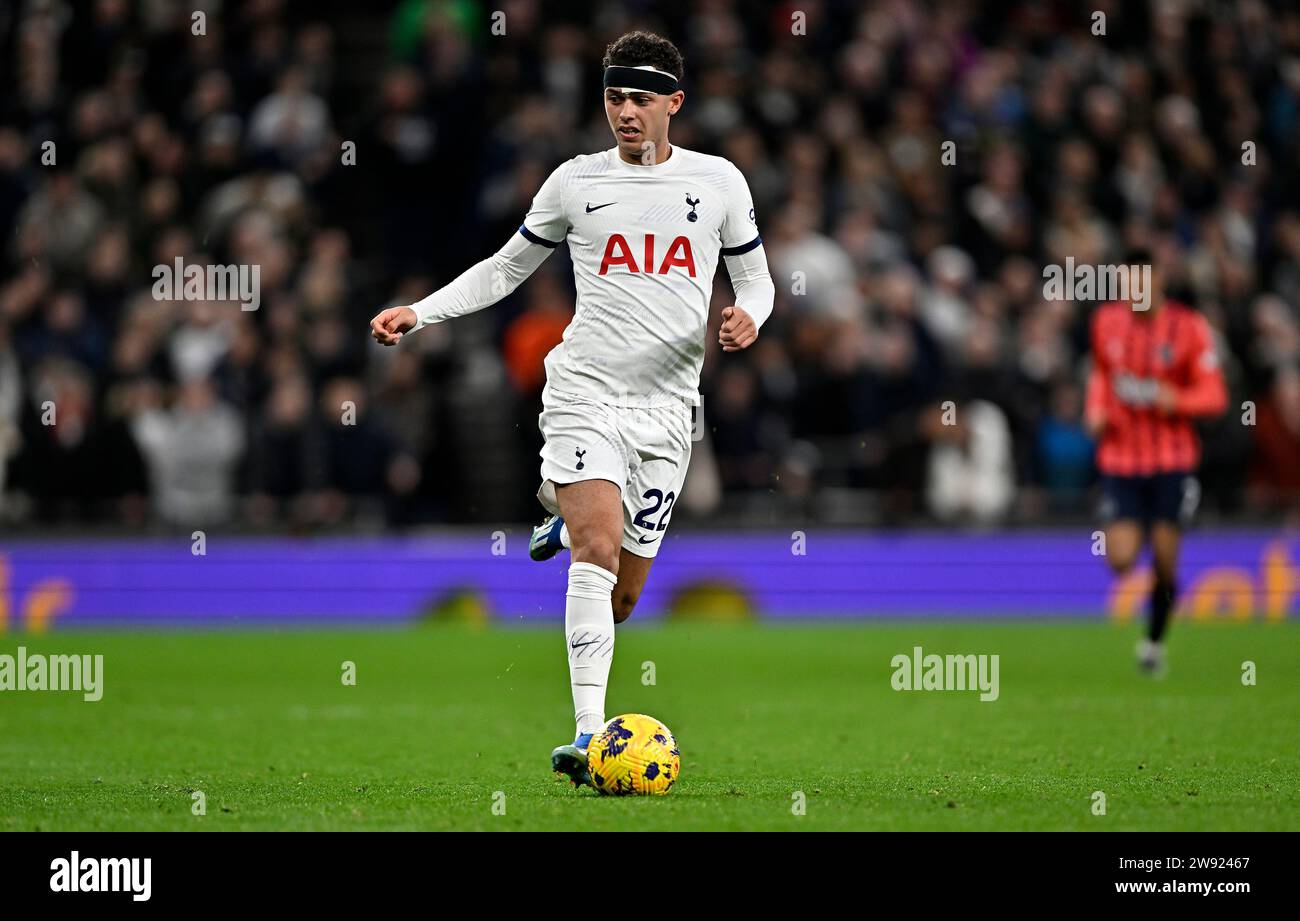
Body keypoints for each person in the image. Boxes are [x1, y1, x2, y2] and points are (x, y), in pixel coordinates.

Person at [368, 31, 774, 786]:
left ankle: (561, 505)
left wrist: (751, 315)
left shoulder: (719, 184)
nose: (625, 111)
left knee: (620, 599)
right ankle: (589, 737)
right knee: (594, 548)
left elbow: (758, 280)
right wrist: (421, 312)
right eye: (615, 96)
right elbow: (505, 269)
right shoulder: (574, 183)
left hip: (669, 414)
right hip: (586, 392)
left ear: (674, 104)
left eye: (641, 98)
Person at [1085, 252, 1227, 675]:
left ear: (1159, 281)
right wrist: (1094, 410)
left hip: (1172, 460)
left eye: (1140, 284)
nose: (1134, 294)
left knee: (1165, 563)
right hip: (1120, 458)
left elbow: (1216, 396)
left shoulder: (1190, 328)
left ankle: (1153, 641)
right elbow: (1100, 375)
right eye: (1126, 286)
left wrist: (1176, 400)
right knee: (1121, 559)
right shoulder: (1106, 323)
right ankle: (1143, 526)